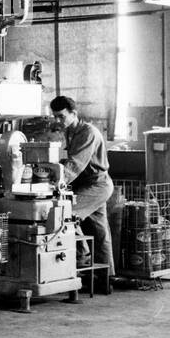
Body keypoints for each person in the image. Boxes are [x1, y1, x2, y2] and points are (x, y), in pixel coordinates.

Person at [51, 95, 114, 287]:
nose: (58, 121)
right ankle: (106, 278)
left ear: (74, 113)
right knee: (99, 231)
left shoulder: (88, 132)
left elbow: (75, 165)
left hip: (97, 185)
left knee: (67, 215)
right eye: (55, 117)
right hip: (86, 184)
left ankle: (81, 261)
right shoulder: (70, 132)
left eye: (61, 116)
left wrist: (55, 184)